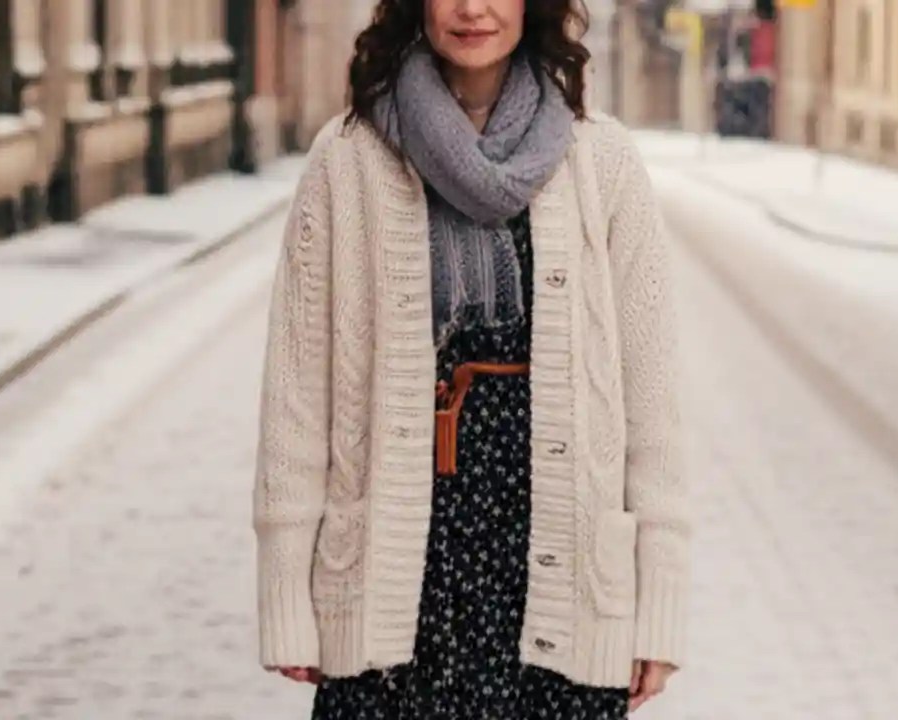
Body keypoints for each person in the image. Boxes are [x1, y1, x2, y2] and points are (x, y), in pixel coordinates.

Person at [252, 1, 689, 717]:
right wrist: (285, 590)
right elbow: (297, 391)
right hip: (395, 566)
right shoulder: (348, 157)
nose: (472, 7)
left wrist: (659, 601)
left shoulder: (601, 160)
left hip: (558, 572)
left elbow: (652, 399)